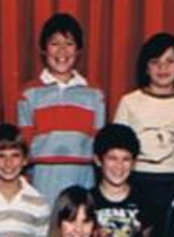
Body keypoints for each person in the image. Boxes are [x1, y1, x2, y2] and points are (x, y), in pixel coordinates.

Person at [113, 33, 174, 237]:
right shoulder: (130, 102)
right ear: (145, 67)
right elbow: (117, 149)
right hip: (137, 183)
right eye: (155, 62)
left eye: (170, 61)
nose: (163, 68)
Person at [16, 13, 107, 201]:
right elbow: (23, 143)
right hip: (42, 176)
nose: (62, 51)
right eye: (55, 43)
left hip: (83, 175)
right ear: (43, 49)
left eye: (69, 44)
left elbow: (100, 143)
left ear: (79, 50)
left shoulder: (95, 93)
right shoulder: (28, 93)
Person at [90, 124, 149, 237]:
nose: (119, 166)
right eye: (112, 158)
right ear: (98, 160)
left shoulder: (145, 201)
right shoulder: (87, 201)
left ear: (134, 162)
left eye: (126, 159)